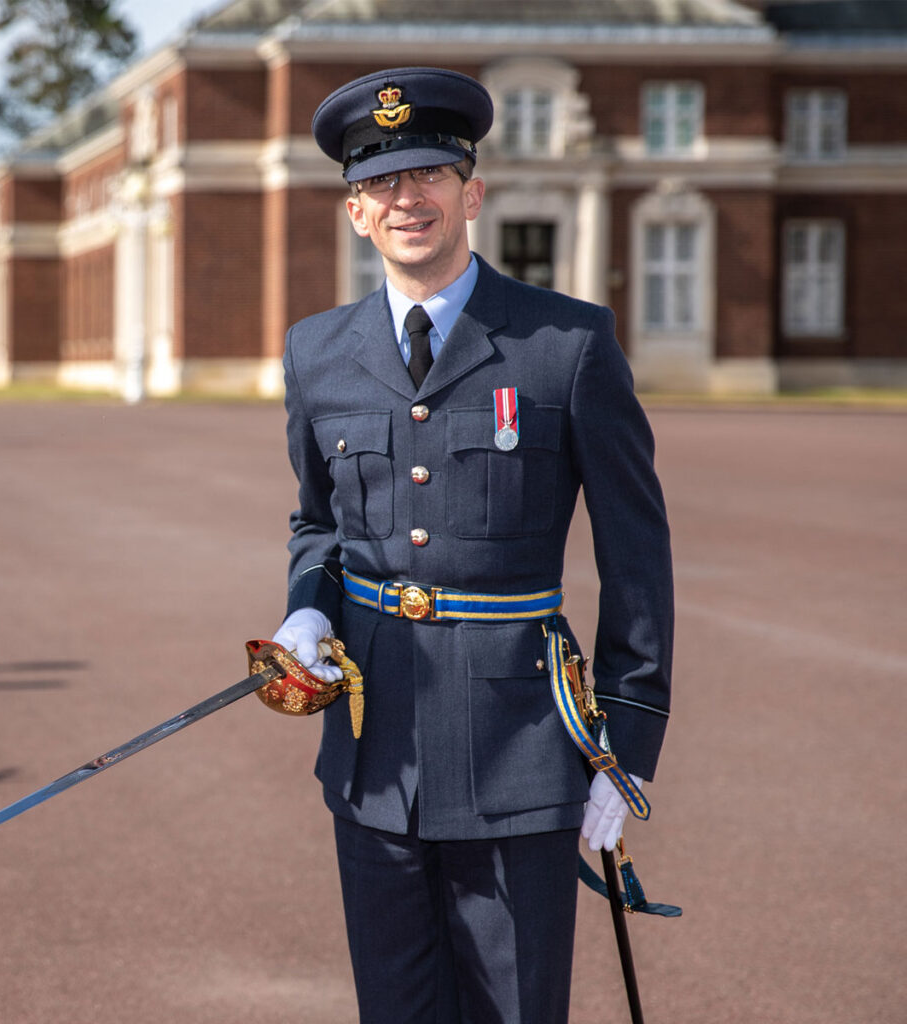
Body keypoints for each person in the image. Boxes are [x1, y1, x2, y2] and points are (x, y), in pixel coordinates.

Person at [268, 68, 673, 1023]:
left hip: (519, 745)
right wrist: (306, 609)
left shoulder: (565, 344)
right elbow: (319, 522)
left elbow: (636, 551)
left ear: (472, 192)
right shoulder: (316, 352)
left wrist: (627, 739)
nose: (405, 199)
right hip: (373, 749)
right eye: (380, 182)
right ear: (356, 212)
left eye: (428, 175)